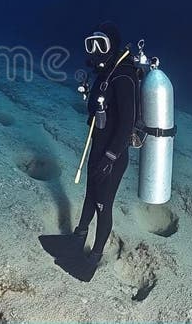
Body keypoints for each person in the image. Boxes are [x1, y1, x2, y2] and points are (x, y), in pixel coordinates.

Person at [73, 21, 137, 276]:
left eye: (102, 44)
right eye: (92, 44)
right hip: (98, 148)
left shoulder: (123, 76)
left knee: (103, 205)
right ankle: (78, 238)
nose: (96, 50)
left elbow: (127, 122)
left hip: (112, 155)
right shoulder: (106, 74)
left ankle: (95, 256)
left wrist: (111, 156)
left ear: (114, 46)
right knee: (90, 194)